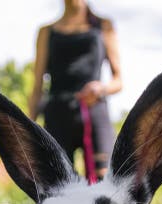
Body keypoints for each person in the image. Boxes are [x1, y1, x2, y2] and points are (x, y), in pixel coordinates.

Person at [28, 0, 122, 180]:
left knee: (104, 181)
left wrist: (100, 89)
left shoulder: (104, 26)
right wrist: (27, 133)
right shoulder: (46, 32)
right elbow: (37, 86)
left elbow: (119, 80)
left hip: (94, 113)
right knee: (59, 185)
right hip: (57, 116)